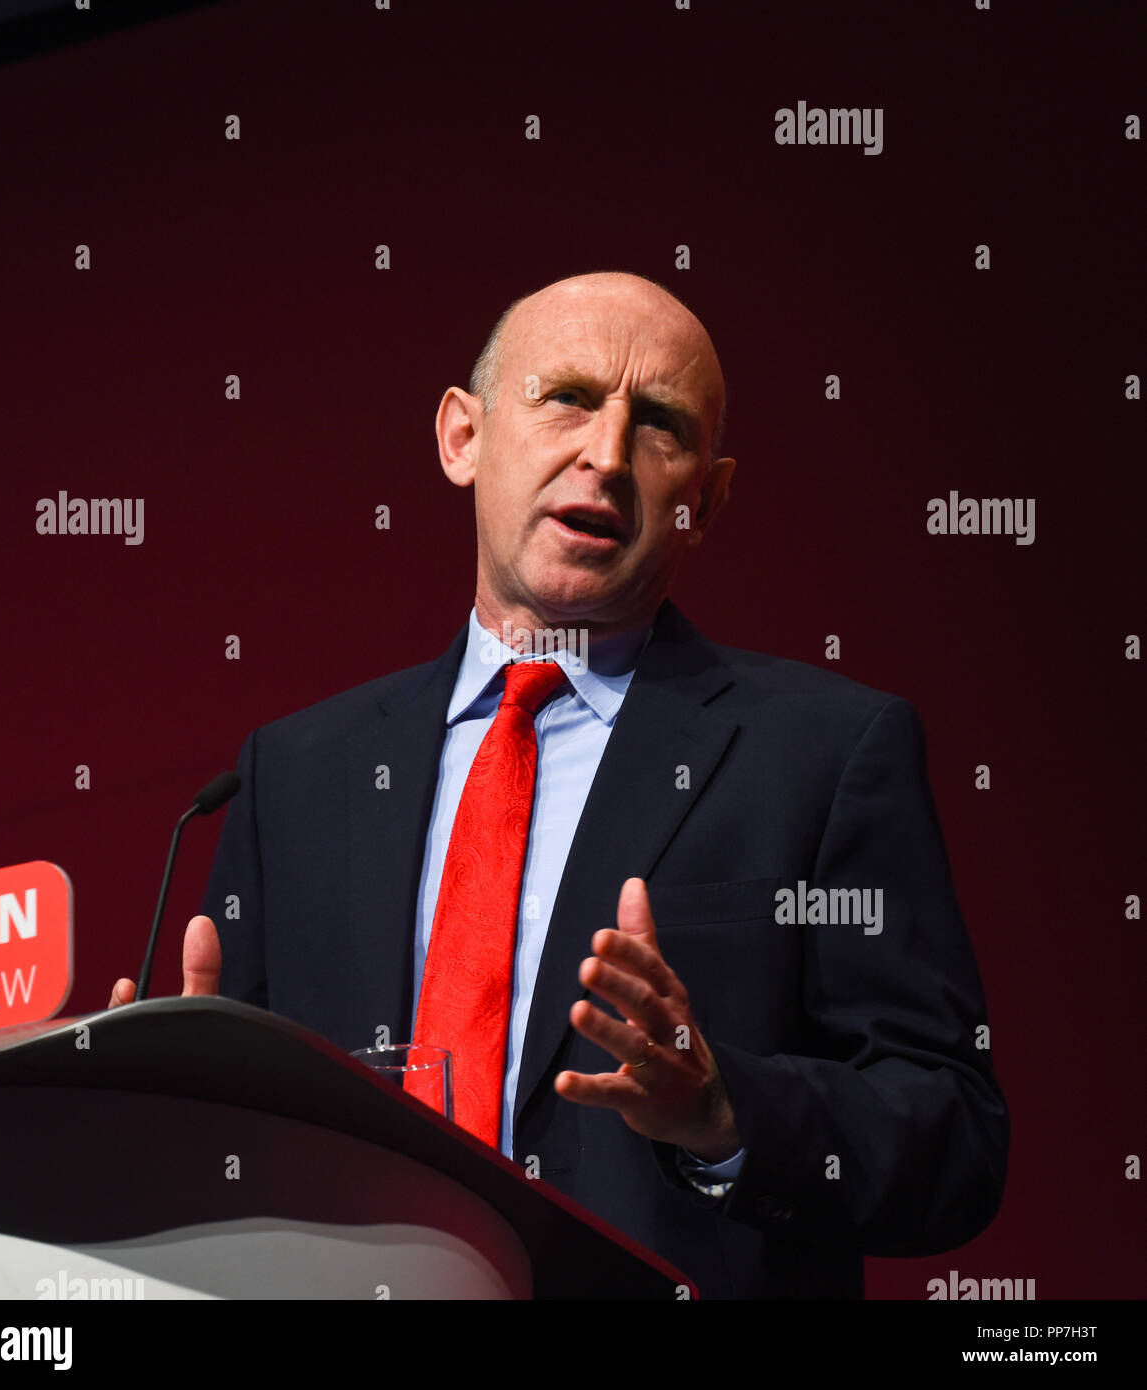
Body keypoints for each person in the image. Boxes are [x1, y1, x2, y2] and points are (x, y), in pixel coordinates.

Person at [110, 271, 1009, 1298]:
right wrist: (178, 1100)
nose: (606, 454)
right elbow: (251, 1147)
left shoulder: (824, 751)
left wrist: (720, 1107)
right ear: (462, 438)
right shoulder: (291, 774)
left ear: (704, 500)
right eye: (567, 397)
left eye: (659, 424)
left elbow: (953, 1135)